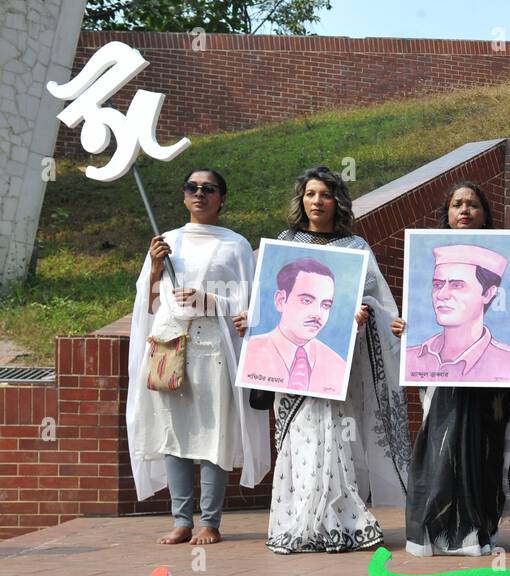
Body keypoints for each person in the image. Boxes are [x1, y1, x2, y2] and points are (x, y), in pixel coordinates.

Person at [234, 165, 410, 554]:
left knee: (335, 439)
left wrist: (364, 313)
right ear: (302, 200)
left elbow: (379, 303)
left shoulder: (355, 248)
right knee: (299, 440)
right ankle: (297, 523)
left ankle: (342, 522)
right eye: (310, 194)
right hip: (287, 376)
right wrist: (253, 319)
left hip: (334, 368)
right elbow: (268, 298)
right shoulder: (285, 242)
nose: (317, 201)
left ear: (337, 202)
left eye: (325, 195)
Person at [390, 181, 510, 556]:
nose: (464, 210)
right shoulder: (421, 256)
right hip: (441, 383)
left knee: (479, 449)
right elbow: (413, 318)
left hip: (490, 383)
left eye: (473, 204)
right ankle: (434, 531)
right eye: (457, 204)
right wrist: (403, 328)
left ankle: (475, 530)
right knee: (439, 444)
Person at [126, 167, 270, 546]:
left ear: (222, 198)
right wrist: (156, 265)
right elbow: (152, 303)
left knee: (213, 431)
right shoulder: (167, 241)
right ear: (183, 195)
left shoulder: (235, 245)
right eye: (192, 187)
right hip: (171, 347)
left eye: (209, 189)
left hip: (213, 350)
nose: (200, 194)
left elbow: (248, 305)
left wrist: (212, 301)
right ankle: (180, 518)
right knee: (173, 432)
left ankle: (210, 521)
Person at [405, 243, 510, 383]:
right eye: (437, 285)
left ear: (488, 293)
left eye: (457, 285)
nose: (441, 294)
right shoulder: (409, 359)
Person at [240, 257, 349, 395]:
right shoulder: (249, 353)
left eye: (326, 305)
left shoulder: (338, 367)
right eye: (306, 300)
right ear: (281, 300)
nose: (317, 314)